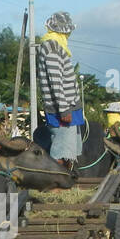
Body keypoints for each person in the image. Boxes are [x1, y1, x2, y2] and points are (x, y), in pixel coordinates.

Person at [36, 11, 83, 174]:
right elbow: (56, 81)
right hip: (62, 108)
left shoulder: (56, 45)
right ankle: (55, 184)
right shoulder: (52, 47)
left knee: (68, 149)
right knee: (61, 150)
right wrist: (64, 109)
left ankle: (64, 180)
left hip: (69, 106)